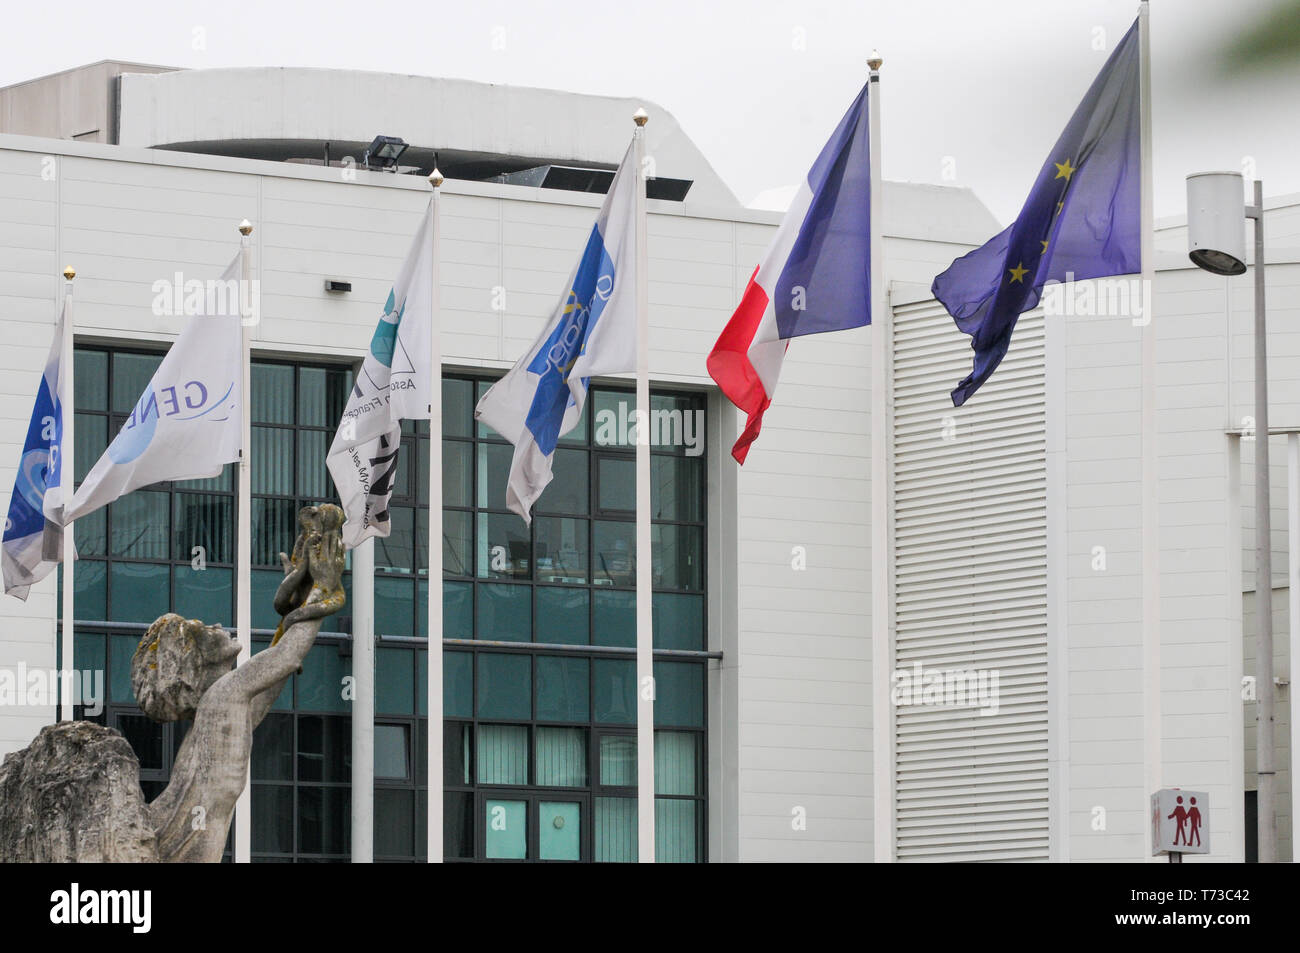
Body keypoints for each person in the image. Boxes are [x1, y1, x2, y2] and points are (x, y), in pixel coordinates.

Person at [132, 504, 346, 862]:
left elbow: (272, 678)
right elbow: (285, 659)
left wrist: (305, 591)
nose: (215, 626)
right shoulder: (223, 698)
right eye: (202, 630)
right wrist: (325, 583)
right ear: (194, 661)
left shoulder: (221, 709)